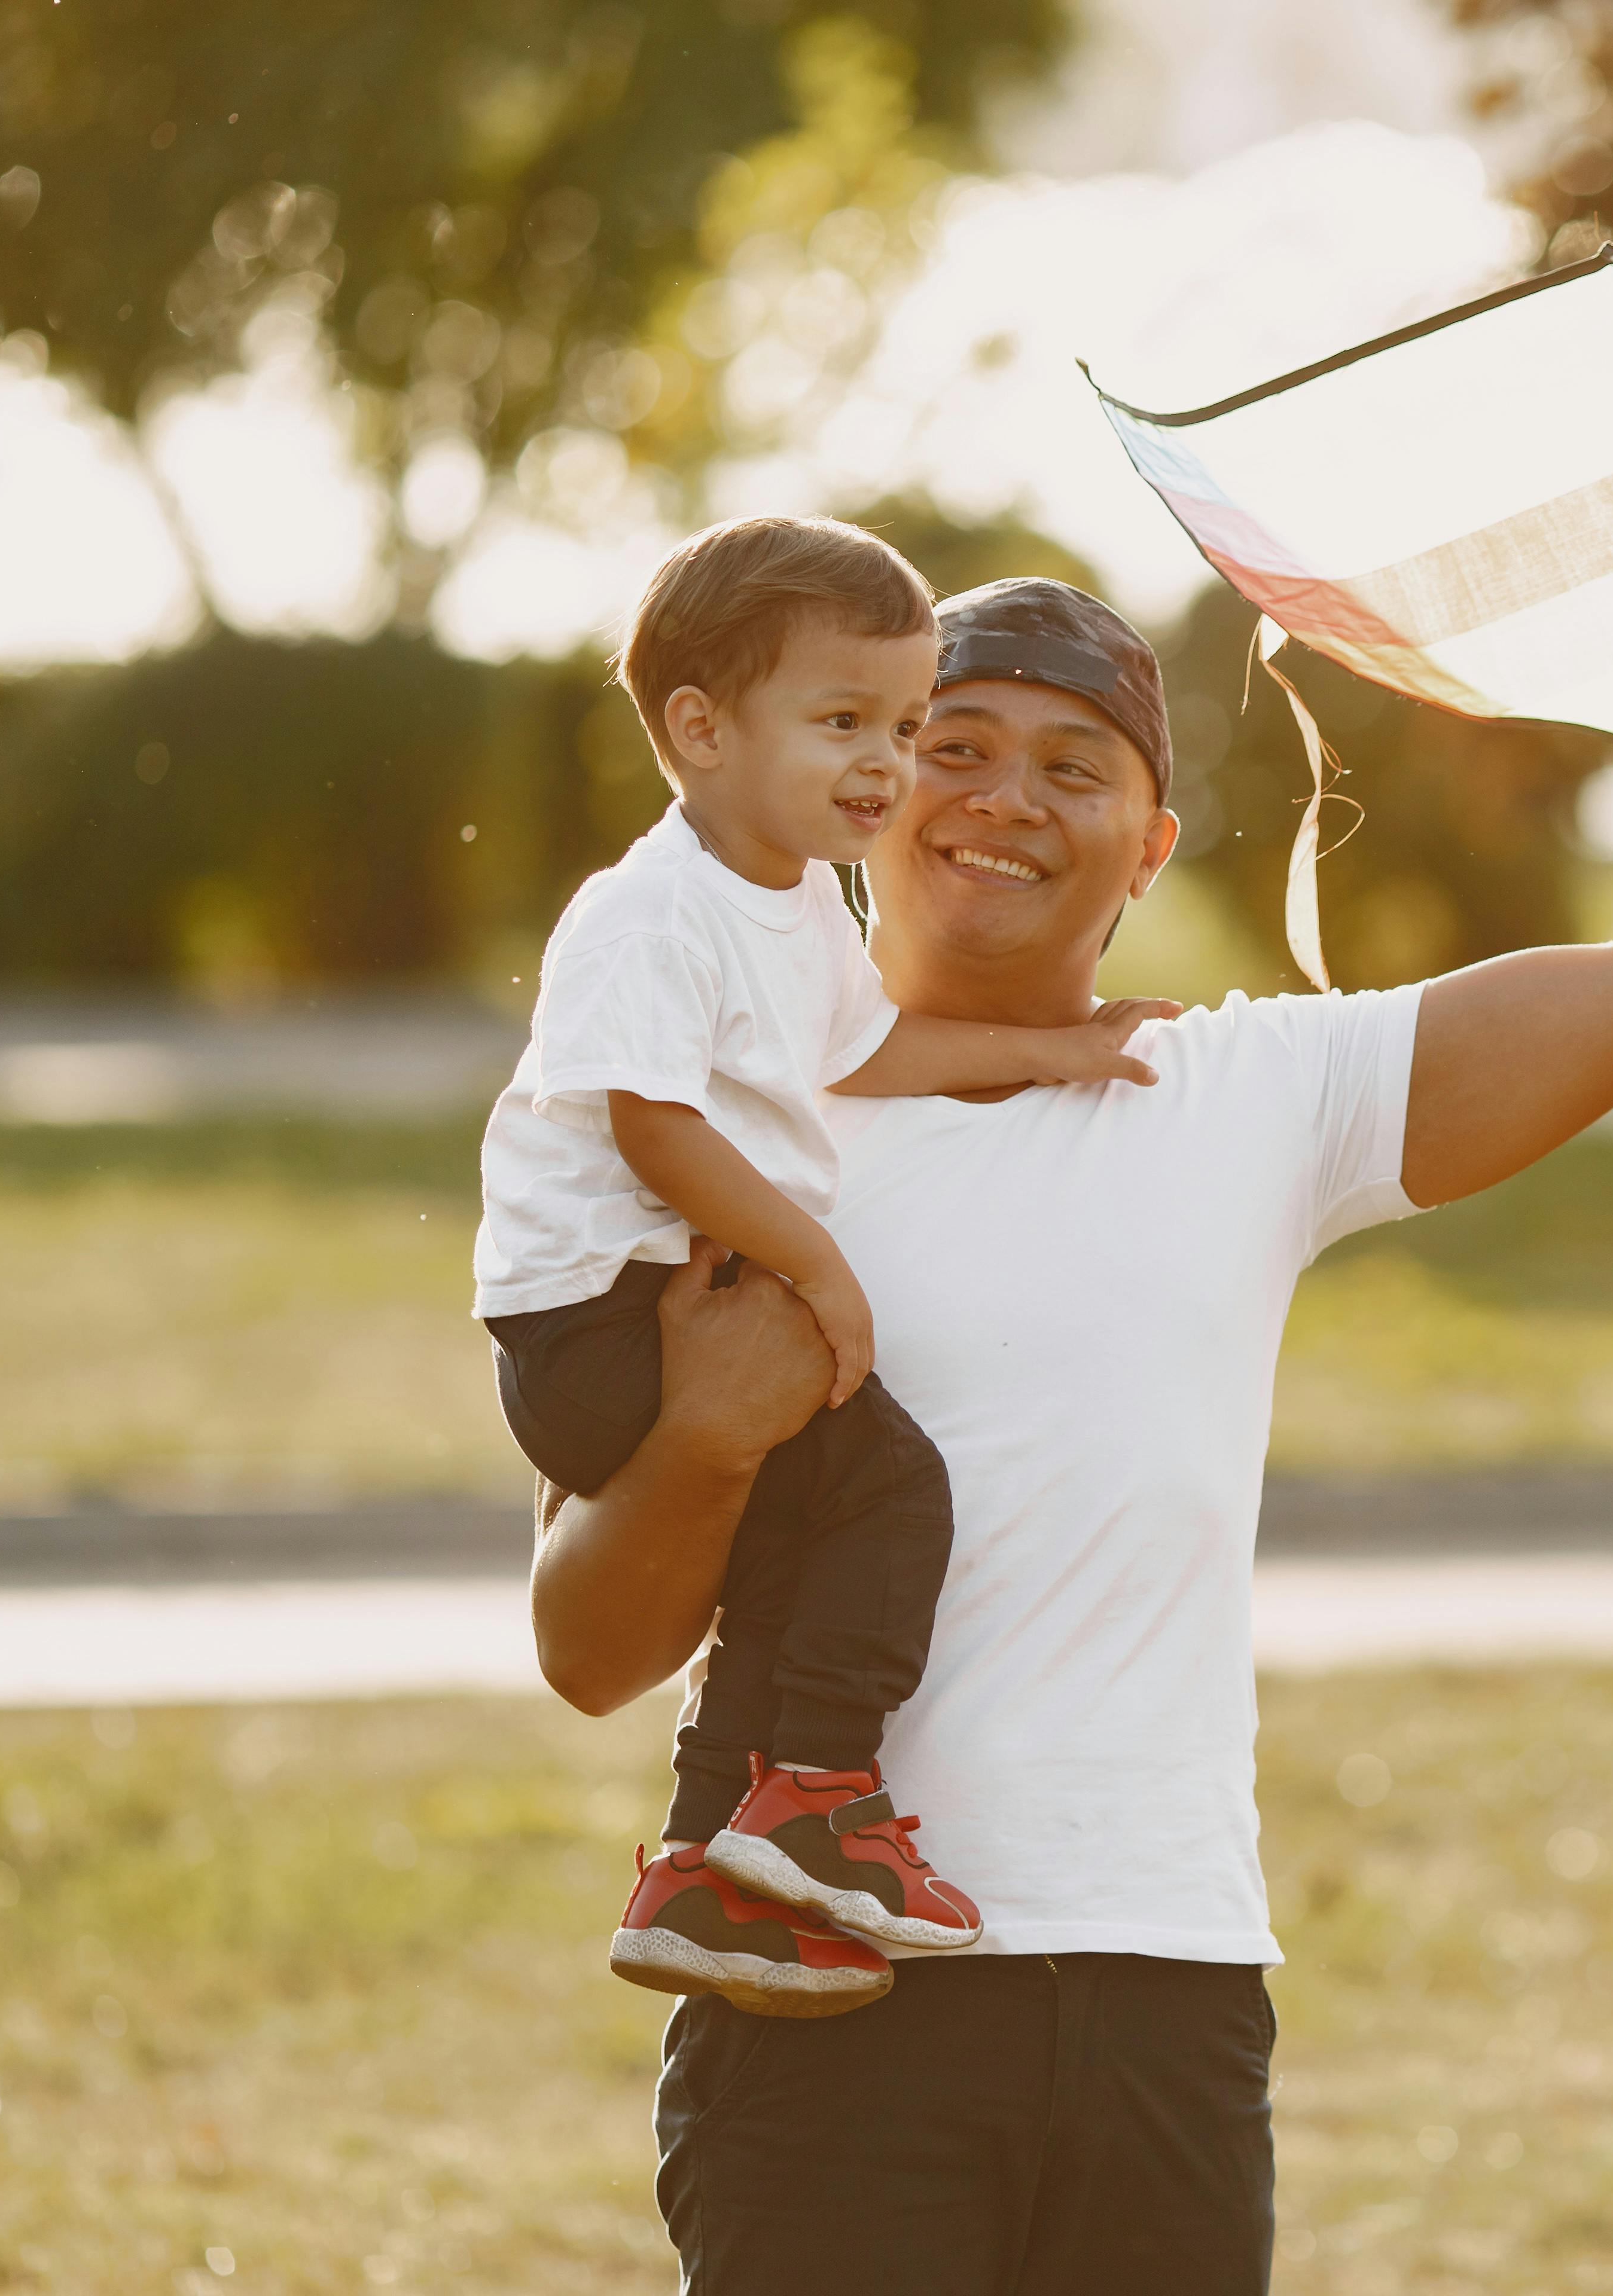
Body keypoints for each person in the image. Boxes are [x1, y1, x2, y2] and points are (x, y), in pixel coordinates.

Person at [529, 481, 1613, 2288]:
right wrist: (710, 1434)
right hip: (812, 1994)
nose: (1000, 797)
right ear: (868, 795)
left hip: (1167, 1984)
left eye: (1077, 766)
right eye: (949, 744)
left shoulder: (1251, 1096)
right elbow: (588, 1651)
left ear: (1152, 849)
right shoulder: (721, 1130)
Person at [474, 517, 1178, 2017]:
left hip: (648, 1299)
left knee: (796, 1552)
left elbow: (872, 1049)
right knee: (886, 1491)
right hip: (595, 1325)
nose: (887, 761)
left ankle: (706, 1874)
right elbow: (654, 1125)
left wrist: (1056, 1049)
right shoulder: (651, 910)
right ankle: (818, 1797)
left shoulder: (791, 901)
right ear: (701, 728)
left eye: (904, 725)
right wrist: (819, 1269)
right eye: (848, 722)